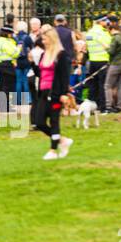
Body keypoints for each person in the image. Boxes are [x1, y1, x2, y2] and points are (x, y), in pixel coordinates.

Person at [32, 25, 73, 160]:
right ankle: (62, 141)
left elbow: (64, 75)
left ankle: (53, 150)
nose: (43, 42)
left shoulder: (61, 55)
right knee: (39, 122)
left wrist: (64, 93)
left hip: (55, 92)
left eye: (45, 39)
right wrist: (32, 63)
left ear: (51, 39)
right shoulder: (45, 54)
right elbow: (40, 72)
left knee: (54, 122)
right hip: (43, 91)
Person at [104, 19, 121, 113]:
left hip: (116, 64)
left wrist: (106, 47)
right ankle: (119, 107)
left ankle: (109, 106)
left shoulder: (115, 38)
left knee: (107, 85)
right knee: (119, 86)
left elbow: (111, 51)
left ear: (112, 29)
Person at [0, 24, 19, 108]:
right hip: (7, 65)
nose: (11, 35)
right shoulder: (6, 42)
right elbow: (15, 53)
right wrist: (19, 48)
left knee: (2, 85)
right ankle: (4, 106)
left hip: (0, 64)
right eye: (11, 33)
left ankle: (1, 105)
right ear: (7, 33)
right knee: (7, 86)